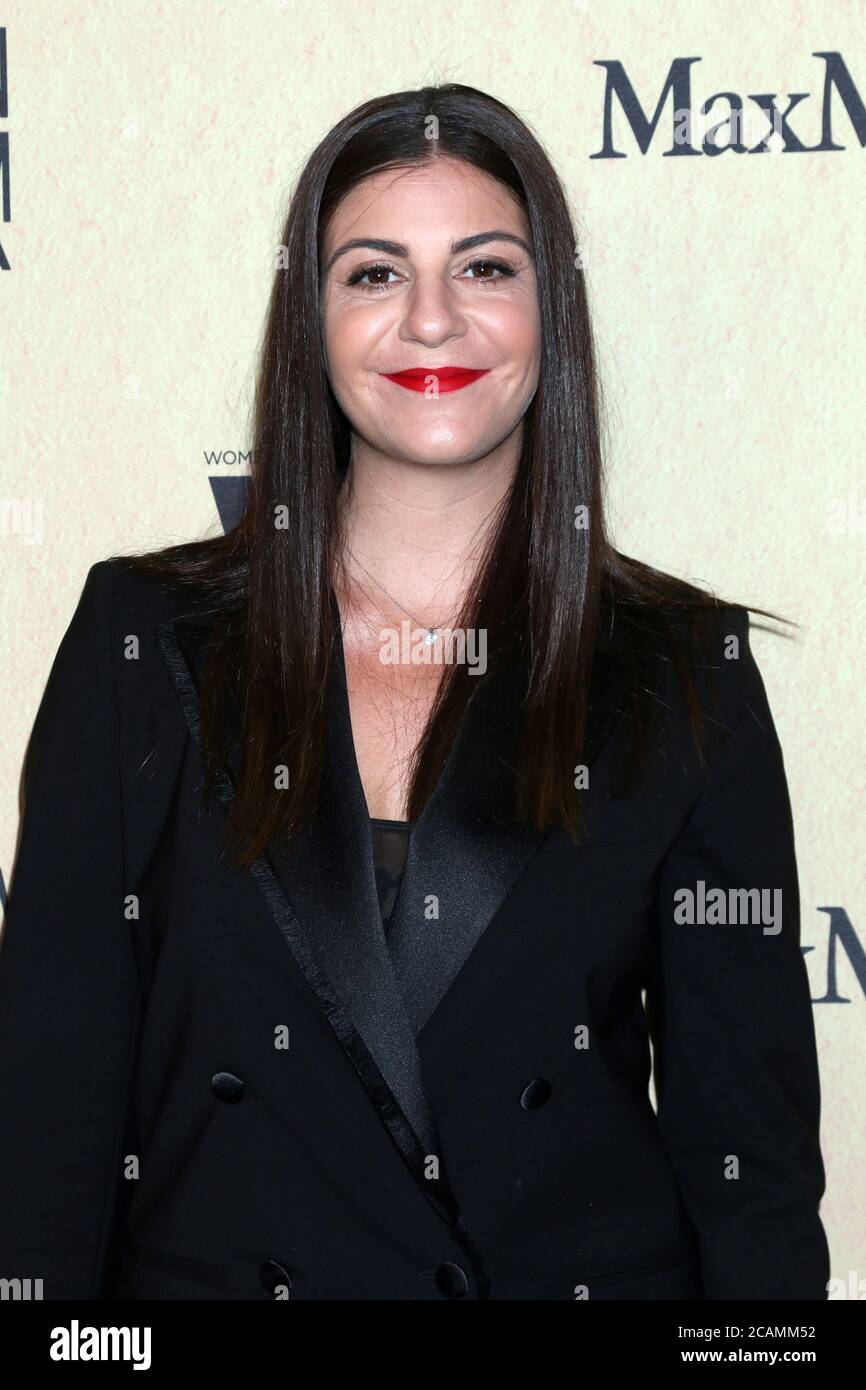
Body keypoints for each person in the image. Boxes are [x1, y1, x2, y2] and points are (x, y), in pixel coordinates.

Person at [0, 83, 829, 1301]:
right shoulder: (144, 644)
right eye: (374, 274)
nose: (431, 321)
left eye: (484, 268)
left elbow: (747, 1167)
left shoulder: (678, 671)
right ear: (312, 321)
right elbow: (48, 1114)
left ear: (550, 312)